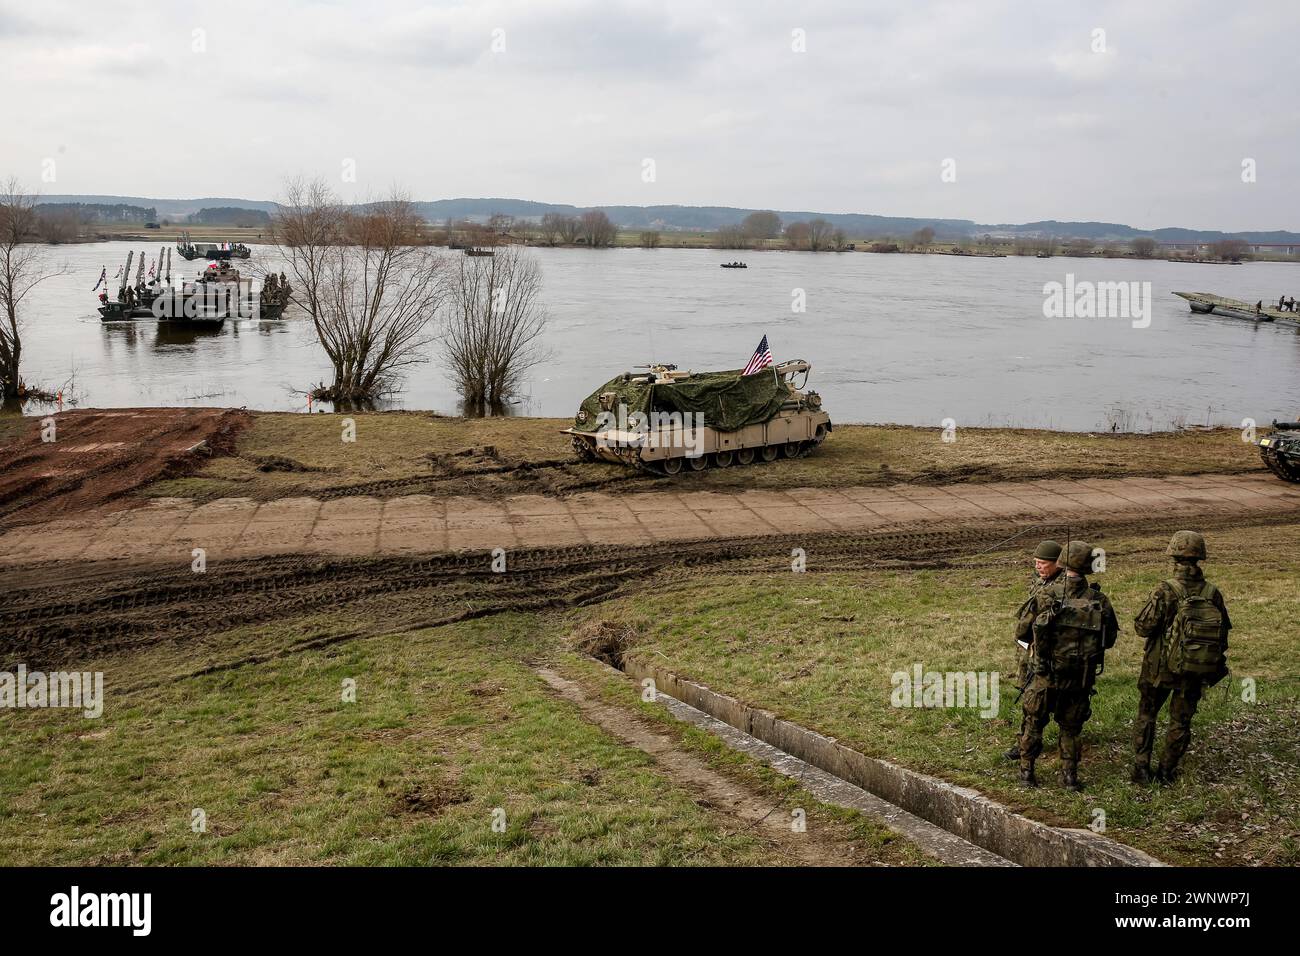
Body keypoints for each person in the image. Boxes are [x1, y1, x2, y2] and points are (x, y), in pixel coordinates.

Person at [1017, 540, 1119, 790]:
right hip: (1079, 677)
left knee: (1033, 724)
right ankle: (1069, 777)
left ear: (1061, 562)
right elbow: (1110, 638)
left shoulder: (1046, 594)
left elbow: (1021, 631)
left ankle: (1027, 773)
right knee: (1071, 730)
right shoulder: (1099, 600)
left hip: (1045, 675)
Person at [1130, 531, 1231, 785]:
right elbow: (1223, 633)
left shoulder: (1165, 590)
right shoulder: (1212, 592)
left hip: (1159, 668)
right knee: (1181, 720)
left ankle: (1142, 768)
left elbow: (1143, 627)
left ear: (1173, 555)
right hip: (1195, 669)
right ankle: (1167, 771)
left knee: (1147, 714)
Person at [1004, 540, 1063, 760]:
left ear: (1059, 563)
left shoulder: (1063, 588)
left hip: (1051, 653)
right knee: (1030, 699)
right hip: (1032, 649)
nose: (1038, 567)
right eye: (1036, 562)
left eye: (1043, 563)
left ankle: (1030, 747)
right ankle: (1025, 742)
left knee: (1041, 701)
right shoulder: (1039, 581)